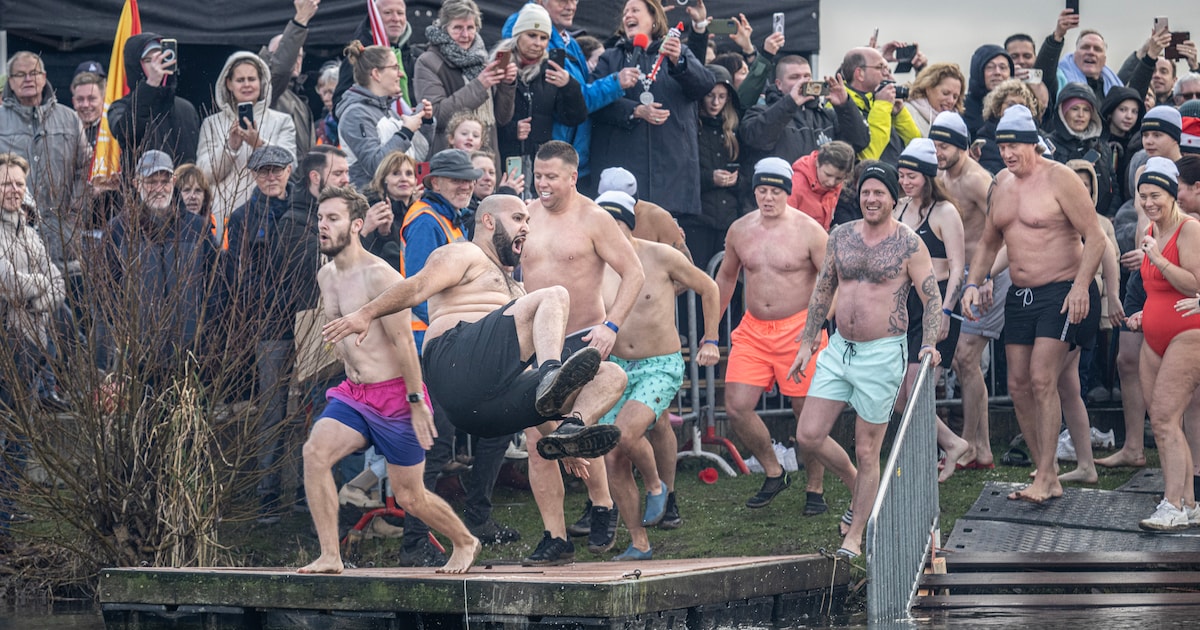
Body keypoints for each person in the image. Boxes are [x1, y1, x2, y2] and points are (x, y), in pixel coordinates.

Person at [320, 193, 627, 559]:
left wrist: (557, 439)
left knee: (611, 374)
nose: (526, 227)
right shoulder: (462, 253)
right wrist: (365, 314)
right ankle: (553, 374)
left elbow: (534, 385)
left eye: (528, 221)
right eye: (517, 218)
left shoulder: (519, 290)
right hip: (455, 362)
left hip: (490, 405)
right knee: (556, 296)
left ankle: (571, 428)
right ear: (488, 222)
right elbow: (416, 287)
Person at [297, 185, 480, 575]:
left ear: (357, 225)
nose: (322, 226)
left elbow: (403, 345)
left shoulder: (382, 277)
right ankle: (331, 555)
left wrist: (417, 403)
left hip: (396, 396)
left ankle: (465, 541)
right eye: (320, 219)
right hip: (354, 394)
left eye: (332, 219)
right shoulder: (325, 275)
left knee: (410, 496)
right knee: (315, 454)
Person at [789, 161, 942, 559]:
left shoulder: (908, 243)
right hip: (839, 349)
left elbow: (931, 297)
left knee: (867, 447)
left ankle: (855, 537)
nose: (871, 199)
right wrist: (808, 342)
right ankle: (861, 489)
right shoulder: (841, 236)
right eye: (866, 192)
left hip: (882, 353)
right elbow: (823, 289)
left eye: (879, 192)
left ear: (894, 197)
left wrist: (928, 344)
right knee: (808, 435)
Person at [962, 105, 1106, 504]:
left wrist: (1081, 288)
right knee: (1017, 384)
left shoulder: (1061, 179)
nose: (1007, 153)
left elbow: (1095, 237)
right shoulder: (1001, 185)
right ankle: (1048, 470)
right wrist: (975, 282)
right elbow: (990, 241)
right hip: (1021, 295)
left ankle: (1045, 475)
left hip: (1061, 290)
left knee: (1044, 379)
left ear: (1034, 144)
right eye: (1002, 146)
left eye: (1014, 146)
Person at [520, 141, 644, 563]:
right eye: (539, 176)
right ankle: (555, 537)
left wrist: (611, 326)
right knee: (538, 440)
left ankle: (602, 503)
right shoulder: (526, 214)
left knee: (575, 430)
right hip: (538, 345)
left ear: (573, 177)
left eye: (551, 177)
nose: (543, 184)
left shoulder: (595, 218)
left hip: (583, 340)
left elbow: (634, 273)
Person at [594, 189, 721, 561]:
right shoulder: (596, 264)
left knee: (627, 432)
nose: (609, 233)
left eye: (615, 225)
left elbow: (708, 286)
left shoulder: (659, 255)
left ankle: (655, 486)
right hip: (616, 368)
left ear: (629, 226)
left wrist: (710, 339)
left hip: (659, 364)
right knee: (615, 457)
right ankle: (639, 543)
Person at [715, 158, 830, 512]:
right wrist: (708, 332)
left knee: (805, 414)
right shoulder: (740, 229)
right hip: (753, 330)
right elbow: (726, 278)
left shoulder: (810, 230)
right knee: (736, 407)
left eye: (775, 191)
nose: (768, 197)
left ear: (787, 191)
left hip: (799, 329)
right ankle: (773, 469)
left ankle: (815, 488)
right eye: (762, 190)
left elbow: (831, 283)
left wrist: (815, 331)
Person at [1122, 158, 1200, 530]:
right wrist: (1138, 312)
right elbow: (1149, 286)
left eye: (1155, 195)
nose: (1149, 203)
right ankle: (1186, 502)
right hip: (1154, 336)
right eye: (1143, 197)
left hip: (1189, 332)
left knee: (1168, 418)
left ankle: (1172, 504)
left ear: (1172, 195)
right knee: (1163, 421)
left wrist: (1157, 259)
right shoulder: (1150, 230)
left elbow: (1193, 284)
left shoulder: (1190, 229)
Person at [223, 145, 298, 521]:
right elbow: (240, 278)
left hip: (311, 319)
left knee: (310, 407)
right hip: (269, 325)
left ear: (289, 171)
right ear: (253, 175)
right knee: (272, 408)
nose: (271, 176)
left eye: (277, 170)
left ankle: (303, 491)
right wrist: (278, 301)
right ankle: (267, 493)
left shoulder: (306, 210)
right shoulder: (241, 218)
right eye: (264, 171)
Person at [588, 0, 715, 218]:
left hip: (672, 173)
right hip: (623, 169)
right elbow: (594, 104)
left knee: (666, 248)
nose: (628, 15)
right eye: (625, 12)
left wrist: (679, 62)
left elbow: (704, 85)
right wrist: (635, 110)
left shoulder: (678, 52)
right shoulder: (611, 57)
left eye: (635, 10)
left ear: (654, 18)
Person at [891, 139, 968, 483]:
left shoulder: (945, 212)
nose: (905, 182)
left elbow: (958, 267)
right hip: (905, 306)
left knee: (915, 393)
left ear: (927, 176)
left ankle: (942, 450)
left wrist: (947, 312)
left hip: (934, 304)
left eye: (912, 176)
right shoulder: (900, 209)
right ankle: (949, 444)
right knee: (897, 398)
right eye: (902, 175)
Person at [932, 111, 1003, 470]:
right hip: (965, 278)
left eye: (943, 145)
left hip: (989, 275)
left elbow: (1003, 228)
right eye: (934, 145)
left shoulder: (978, 180)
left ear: (961, 146)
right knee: (963, 362)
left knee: (966, 357)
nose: (937, 151)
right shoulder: (942, 176)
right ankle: (981, 446)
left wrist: (988, 275)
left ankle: (974, 446)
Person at [500, 0, 639, 183]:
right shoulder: (524, 38)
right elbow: (579, 100)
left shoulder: (570, 43)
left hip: (571, 160)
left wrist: (570, 85)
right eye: (562, 1)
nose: (571, 6)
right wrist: (615, 83)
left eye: (574, 0)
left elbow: (576, 107)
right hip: (542, 163)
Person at [103, 150, 214, 369]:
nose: (159, 188)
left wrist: (206, 330)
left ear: (174, 181)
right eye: (151, 181)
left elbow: (214, 283)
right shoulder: (119, 229)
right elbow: (106, 289)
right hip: (138, 355)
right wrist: (123, 330)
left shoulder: (196, 227)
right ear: (136, 183)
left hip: (191, 353)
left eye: (165, 181)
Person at [0, 51, 91, 272]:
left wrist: (74, 213)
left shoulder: (69, 118)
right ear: (10, 81)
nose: (28, 79)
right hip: (9, 233)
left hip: (62, 233)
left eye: (33, 73)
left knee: (64, 299)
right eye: (20, 74)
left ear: (44, 77)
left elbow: (86, 167)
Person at [198, 51, 298, 241]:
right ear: (229, 84)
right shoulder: (211, 123)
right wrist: (231, 148)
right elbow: (204, 175)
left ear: (261, 82)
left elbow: (291, 165)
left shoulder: (282, 121)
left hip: (271, 215)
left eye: (252, 79)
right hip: (224, 214)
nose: (246, 84)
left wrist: (258, 144)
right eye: (240, 79)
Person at [496, 3, 587, 195]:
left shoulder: (551, 68)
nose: (537, 43)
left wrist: (569, 86)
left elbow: (573, 117)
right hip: (503, 161)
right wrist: (513, 129)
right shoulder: (501, 60)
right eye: (531, 35)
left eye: (543, 37)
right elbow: (487, 114)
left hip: (539, 165)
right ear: (518, 35)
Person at [739, 54, 867, 190]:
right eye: (794, 77)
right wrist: (790, 103)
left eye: (807, 76)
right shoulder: (760, 111)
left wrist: (844, 105)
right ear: (779, 84)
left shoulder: (827, 115)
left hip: (820, 199)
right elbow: (758, 139)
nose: (803, 82)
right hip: (780, 197)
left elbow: (859, 143)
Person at [0, 152, 66, 411]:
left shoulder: (31, 237)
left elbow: (58, 286)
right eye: (6, 184)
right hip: (5, 344)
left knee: (23, 439)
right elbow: (7, 282)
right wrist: (40, 283)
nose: (14, 190)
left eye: (20, 184)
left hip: (31, 349)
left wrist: (34, 302)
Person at [414, 0, 516, 155]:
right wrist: (480, 86)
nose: (465, 35)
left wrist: (507, 85)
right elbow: (436, 117)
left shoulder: (482, 60)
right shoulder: (428, 62)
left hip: (487, 159)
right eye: (457, 28)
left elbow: (502, 118)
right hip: (450, 160)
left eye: (470, 28)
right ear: (444, 28)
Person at [337, 41, 435, 191]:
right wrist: (406, 131)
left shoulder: (390, 111)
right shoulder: (355, 114)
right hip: (371, 205)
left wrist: (424, 121)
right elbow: (375, 165)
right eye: (395, 67)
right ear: (376, 74)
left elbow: (416, 157)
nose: (401, 74)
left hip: (399, 200)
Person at [107, 33, 200, 169]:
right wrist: (151, 84)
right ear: (136, 65)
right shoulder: (119, 107)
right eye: (149, 60)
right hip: (141, 188)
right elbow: (126, 135)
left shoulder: (186, 108)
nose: (157, 65)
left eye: (162, 58)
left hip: (181, 188)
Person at [259, 0, 321, 159]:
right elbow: (280, 69)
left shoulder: (297, 99)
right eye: (293, 55)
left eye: (300, 56)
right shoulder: (265, 90)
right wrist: (300, 20)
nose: (296, 60)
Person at [693, 64, 742, 268]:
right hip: (699, 219)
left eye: (722, 97)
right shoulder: (692, 127)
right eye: (710, 96)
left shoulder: (734, 129)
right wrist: (709, 178)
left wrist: (738, 180)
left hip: (729, 216)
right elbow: (680, 174)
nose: (715, 102)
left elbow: (747, 171)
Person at [334, 0, 419, 111]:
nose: (396, 19)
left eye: (400, 13)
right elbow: (340, 104)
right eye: (388, 12)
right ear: (374, 17)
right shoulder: (361, 56)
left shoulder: (415, 56)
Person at [839, 46, 920, 163]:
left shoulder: (878, 102)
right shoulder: (841, 107)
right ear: (859, 74)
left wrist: (899, 114)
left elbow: (916, 145)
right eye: (880, 68)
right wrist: (882, 105)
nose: (888, 75)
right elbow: (866, 159)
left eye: (888, 70)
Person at [1047, 83, 1117, 216]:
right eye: (1074, 109)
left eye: (1086, 110)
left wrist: (1110, 216)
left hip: (1101, 222)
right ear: (1063, 111)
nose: (1081, 115)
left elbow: (1114, 187)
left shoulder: (1103, 147)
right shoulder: (1050, 146)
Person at [362, 151, 419, 270]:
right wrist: (383, 235)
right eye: (396, 174)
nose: (404, 179)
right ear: (383, 180)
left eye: (409, 174)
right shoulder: (371, 212)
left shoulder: (420, 213)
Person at [974, 79, 1042, 175]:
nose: (1016, 109)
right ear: (998, 107)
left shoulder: (1038, 137)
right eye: (1011, 105)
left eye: (1022, 106)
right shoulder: (986, 140)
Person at [787, 141, 855, 233]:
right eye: (828, 175)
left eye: (839, 178)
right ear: (817, 162)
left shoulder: (836, 185)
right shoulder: (796, 184)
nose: (831, 182)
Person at [961, 45, 1012, 138]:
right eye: (990, 67)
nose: (997, 72)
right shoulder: (963, 109)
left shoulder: (1018, 105)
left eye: (1003, 67)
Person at [903, 63, 965, 137]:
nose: (951, 101)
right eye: (945, 93)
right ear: (928, 88)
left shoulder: (957, 123)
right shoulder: (907, 112)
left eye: (955, 97)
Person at [70, 71, 105, 148]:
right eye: (80, 99)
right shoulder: (65, 132)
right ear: (73, 101)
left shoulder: (112, 134)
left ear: (103, 100)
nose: (85, 105)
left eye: (91, 99)